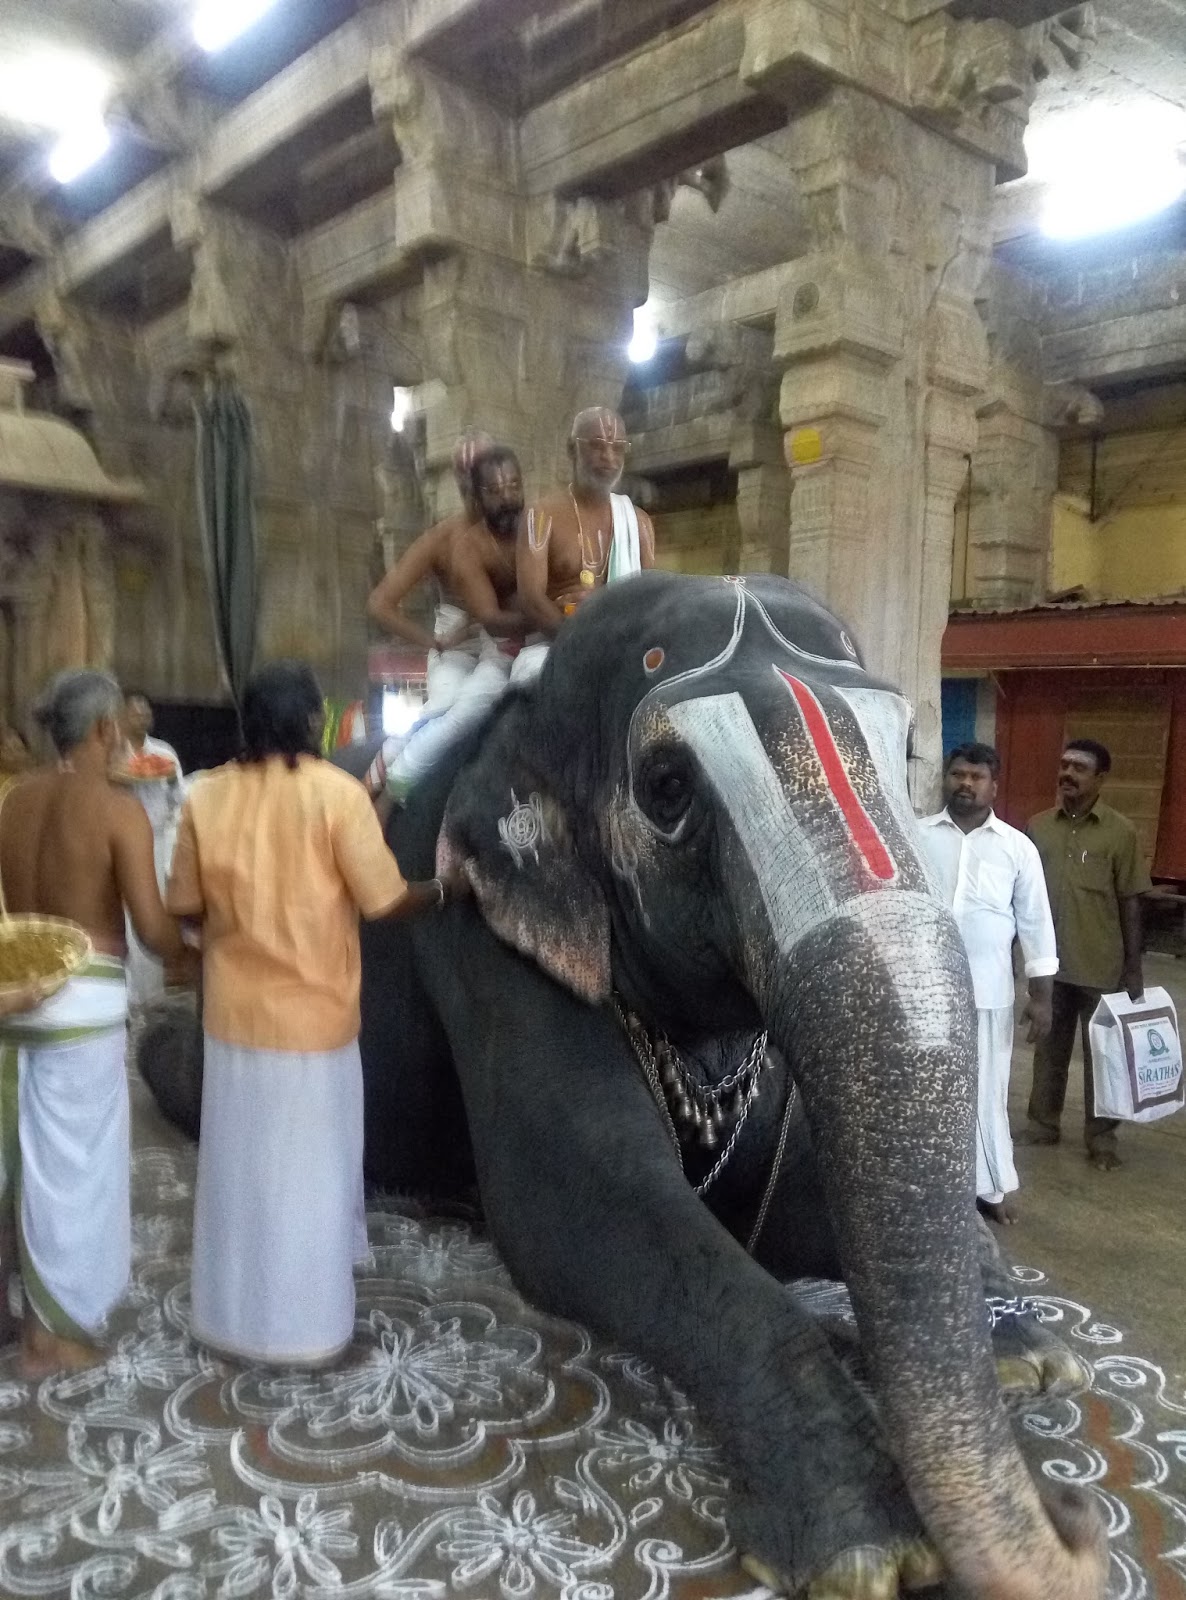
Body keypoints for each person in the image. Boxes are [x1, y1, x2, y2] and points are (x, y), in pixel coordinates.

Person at [166, 660, 468, 1367]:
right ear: (311, 723)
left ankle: (231, 1321)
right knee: (306, 1181)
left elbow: (184, 910)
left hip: (236, 1022)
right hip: (314, 1025)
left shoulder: (204, 797)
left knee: (240, 1179)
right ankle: (305, 1332)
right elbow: (386, 900)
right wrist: (446, 889)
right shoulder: (336, 796)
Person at [0, 669, 190, 1376]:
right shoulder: (118, 811)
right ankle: (51, 1339)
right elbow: (149, 927)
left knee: (32, 1163)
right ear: (106, 729)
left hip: (21, 1000)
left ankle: (27, 1316)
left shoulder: (15, 803)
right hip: (84, 1008)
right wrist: (189, 954)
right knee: (76, 1175)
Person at [918, 744, 1058, 1225]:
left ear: (994, 786)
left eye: (977, 777)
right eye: (958, 774)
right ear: (946, 780)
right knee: (924, 1090)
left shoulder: (1016, 847)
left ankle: (991, 1188)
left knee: (986, 1091)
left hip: (987, 994)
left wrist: (1042, 999)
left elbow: (1037, 926)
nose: (966, 784)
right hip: (921, 993)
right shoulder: (916, 837)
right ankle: (929, 1186)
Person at [1020, 738, 1152, 1171]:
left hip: (1101, 965)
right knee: (1049, 1050)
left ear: (1100, 779)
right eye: (1064, 765)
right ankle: (1042, 1124)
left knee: (1105, 1059)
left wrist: (1133, 969)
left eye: (1079, 768)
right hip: (1050, 967)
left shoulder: (1121, 832)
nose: (1068, 774)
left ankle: (1102, 1140)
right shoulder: (1038, 827)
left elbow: (1132, 900)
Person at [368, 447, 529, 800]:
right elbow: (380, 604)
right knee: (449, 708)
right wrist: (432, 642)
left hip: (499, 642)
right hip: (457, 645)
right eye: (482, 484)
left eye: (507, 484)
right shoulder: (446, 538)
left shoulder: (520, 527)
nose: (498, 492)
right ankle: (387, 770)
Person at [515, 406, 656, 681]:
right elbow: (531, 600)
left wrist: (604, 619)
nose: (608, 458)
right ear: (571, 449)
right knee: (527, 677)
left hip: (620, 644)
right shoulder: (542, 516)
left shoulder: (638, 522)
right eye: (596, 446)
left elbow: (648, 598)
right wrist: (580, 640)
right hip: (552, 642)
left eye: (618, 448)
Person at [120, 690, 185, 1007]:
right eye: (136, 711)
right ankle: (127, 997)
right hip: (122, 843)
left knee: (154, 913)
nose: (143, 715)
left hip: (157, 841)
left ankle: (152, 997)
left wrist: (171, 779)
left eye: (146, 711)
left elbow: (179, 801)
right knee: (126, 915)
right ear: (120, 716)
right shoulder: (112, 756)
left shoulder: (163, 753)